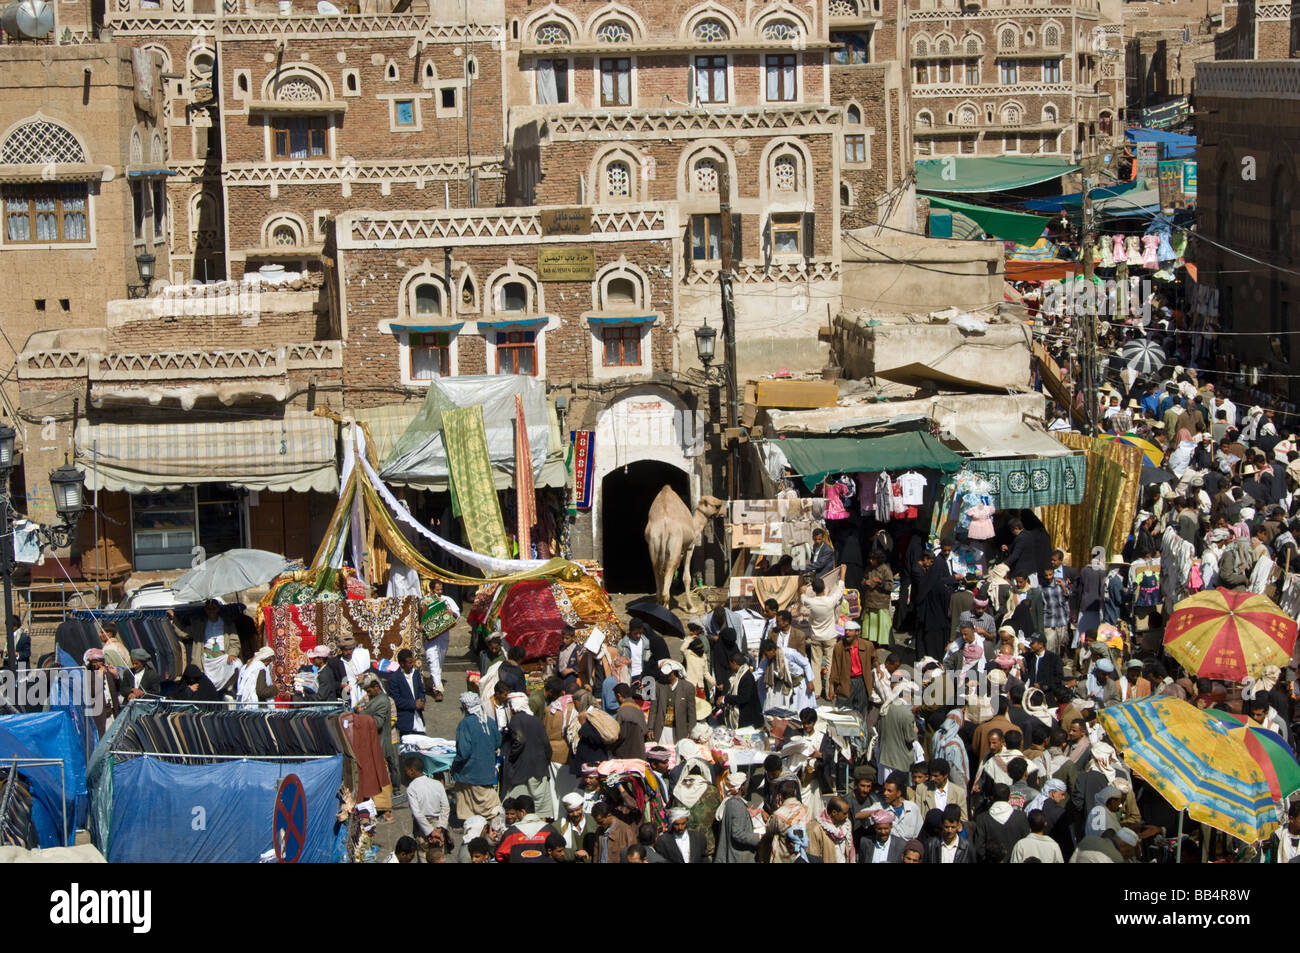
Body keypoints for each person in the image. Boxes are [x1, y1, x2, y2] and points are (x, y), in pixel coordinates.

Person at [501, 691, 554, 819]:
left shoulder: (515, 721)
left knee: (519, 803)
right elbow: (546, 745)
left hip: (522, 771)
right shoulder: (536, 720)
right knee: (540, 805)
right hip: (539, 769)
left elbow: (520, 740)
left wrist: (511, 757)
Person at [452, 692, 502, 822]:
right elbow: (497, 742)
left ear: (464, 706)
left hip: (469, 773)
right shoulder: (490, 722)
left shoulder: (465, 724)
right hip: (487, 772)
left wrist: (454, 764)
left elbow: (464, 751)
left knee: (473, 809)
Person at [356, 673, 401, 790]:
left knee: (393, 766)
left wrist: (362, 714)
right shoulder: (368, 699)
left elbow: (382, 722)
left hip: (387, 740)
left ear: (377, 687)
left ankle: (395, 789)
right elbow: (357, 708)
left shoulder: (385, 701)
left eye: (369, 690)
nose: (367, 693)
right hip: (376, 742)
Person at [801, 573, 844, 690]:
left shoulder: (810, 602)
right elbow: (840, 591)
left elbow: (803, 598)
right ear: (824, 588)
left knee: (815, 663)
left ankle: (817, 691)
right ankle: (830, 689)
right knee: (830, 663)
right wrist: (843, 574)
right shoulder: (830, 601)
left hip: (816, 637)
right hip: (830, 636)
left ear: (813, 590)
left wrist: (803, 591)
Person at [828, 622, 873, 726]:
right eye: (846, 630)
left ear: (857, 632)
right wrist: (831, 687)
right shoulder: (839, 647)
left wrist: (878, 670)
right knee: (843, 709)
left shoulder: (867, 645)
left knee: (860, 711)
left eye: (850, 631)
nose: (847, 633)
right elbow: (834, 668)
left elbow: (874, 659)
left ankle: (859, 735)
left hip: (861, 681)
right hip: (846, 681)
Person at [973, 783, 1031, 863]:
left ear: (992, 797)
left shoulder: (982, 819)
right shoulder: (1021, 817)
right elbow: (1027, 844)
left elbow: (979, 848)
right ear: (1010, 797)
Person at [401, 756, 450, 844]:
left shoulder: (411, 788)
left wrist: (430, 831)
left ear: (412, 771)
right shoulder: (437, 784)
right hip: (439, 824)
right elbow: (446, 807)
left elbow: (417, 813)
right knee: (438, 855)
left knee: (424, 855)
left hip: (422, 828)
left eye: (406, 771)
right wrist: (440, 827)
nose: (405, 774)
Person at [423, 580, 458, 702]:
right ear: (432, 590)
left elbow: (456, 613)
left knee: (439, 660)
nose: (439, 592)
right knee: (432, 659)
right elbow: (420, 615)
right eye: (437, 590)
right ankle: (438, 690)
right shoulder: (425, 600)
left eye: (441, 590)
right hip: (430, 638)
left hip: (443, 635)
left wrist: (451, 613)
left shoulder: (447, 599)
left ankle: (432, 682)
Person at [715, 772, 761, 863]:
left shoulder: (730, 802)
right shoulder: (736, 805)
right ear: (741, 787)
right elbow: (737, 833)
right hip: (738, 857)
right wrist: (759, 837)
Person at [648, 658, 695, 744]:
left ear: (674, 673)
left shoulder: (688, 687)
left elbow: (691, 712)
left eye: (668, 674)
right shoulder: (658, 685)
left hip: (679, 729)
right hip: (662, 728)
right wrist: (650, 727)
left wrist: (690, 730)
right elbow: (653, 708)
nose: (665, 676)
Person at [387, 649, 427, 735]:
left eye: (412, 662)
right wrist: (413, 704)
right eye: (409, 663)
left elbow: (421, 691)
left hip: (418, 719)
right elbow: (395, 700)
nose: (412, 665)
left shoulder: (415, 674)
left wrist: (422, 701)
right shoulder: (394, 679)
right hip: (405, 722)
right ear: (402, 664)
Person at [721, 650, 763, 729]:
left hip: (749, 719)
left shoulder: (746, 677)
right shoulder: (739, 675)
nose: (730, 666)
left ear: (734, 663)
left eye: (730, 664)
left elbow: (743, 698)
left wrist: (725, 698)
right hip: (746, 717)